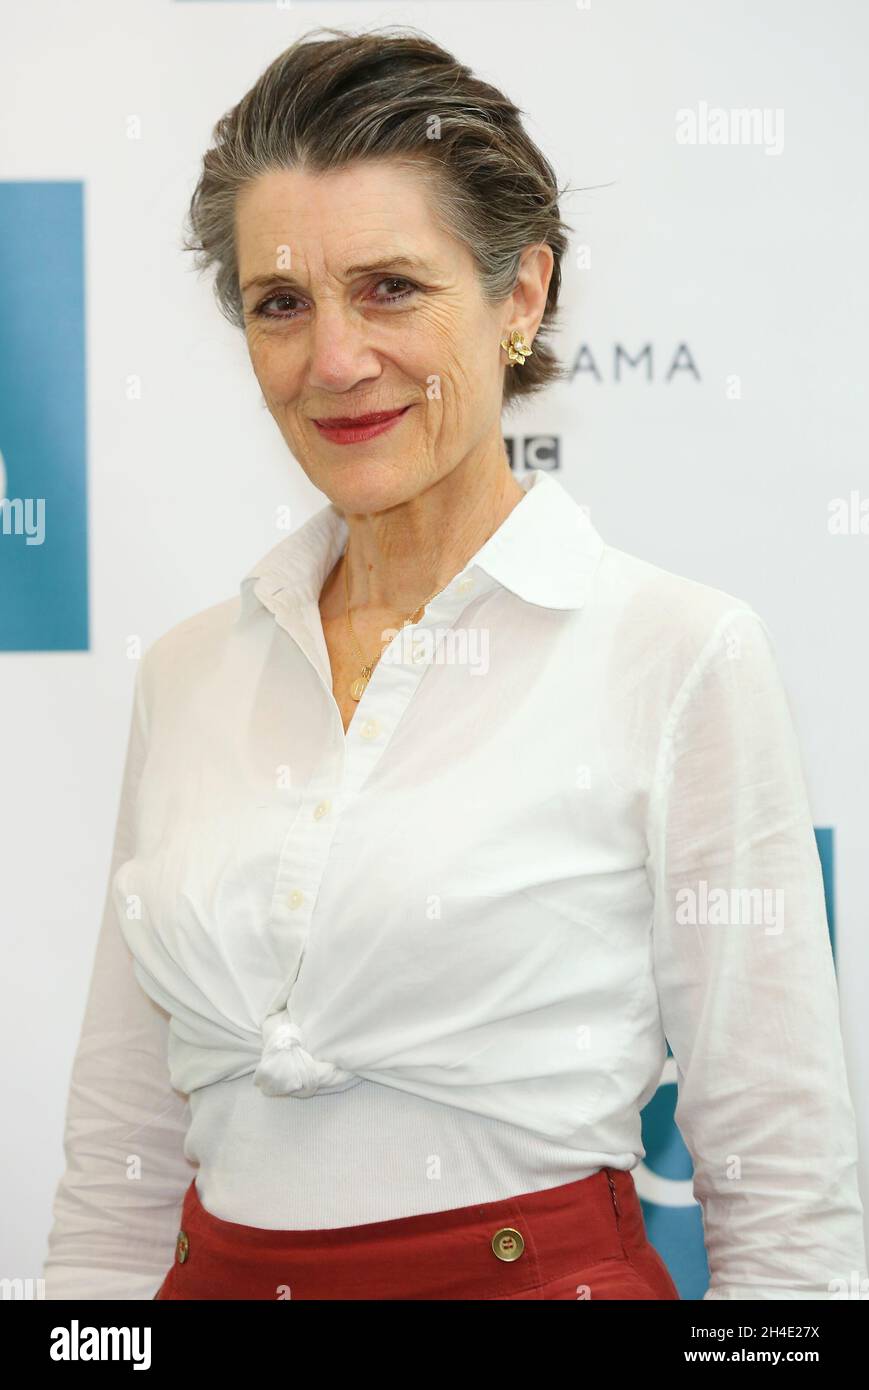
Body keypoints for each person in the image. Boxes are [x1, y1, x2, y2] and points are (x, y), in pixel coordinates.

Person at [42, 26, 866, 1301]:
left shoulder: (677, 654)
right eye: (281, 303)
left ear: (520, 297)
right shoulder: (191, 672)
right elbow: (119, 1170)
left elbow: (784, 1196)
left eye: (390, 287)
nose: (333, 361)